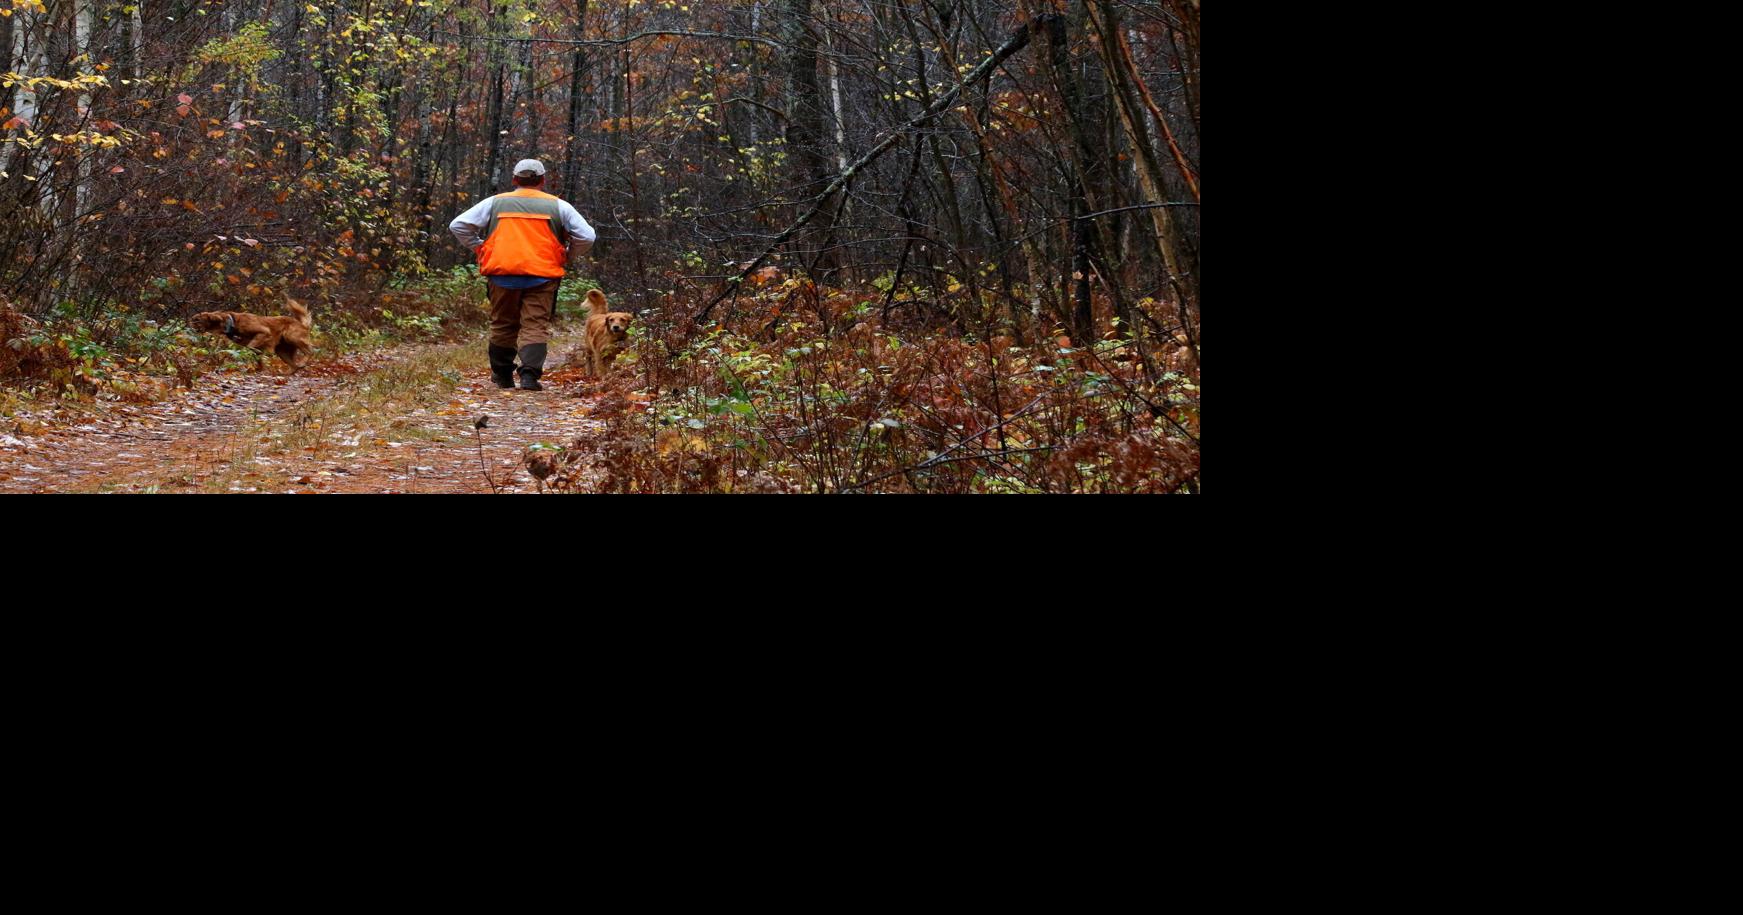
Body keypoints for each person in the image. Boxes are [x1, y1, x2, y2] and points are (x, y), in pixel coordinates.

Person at [449, 159, 597, 390]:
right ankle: (529, 376)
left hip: (501, 273)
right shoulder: (558, 206)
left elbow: (458, 225)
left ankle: (503, 376)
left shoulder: (495, 203)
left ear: (515, 179)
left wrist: (480, 247)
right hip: (542, 275)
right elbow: (587, 237)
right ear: (542, 180)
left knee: (502, 324)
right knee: (535, 325)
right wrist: (567, 254)